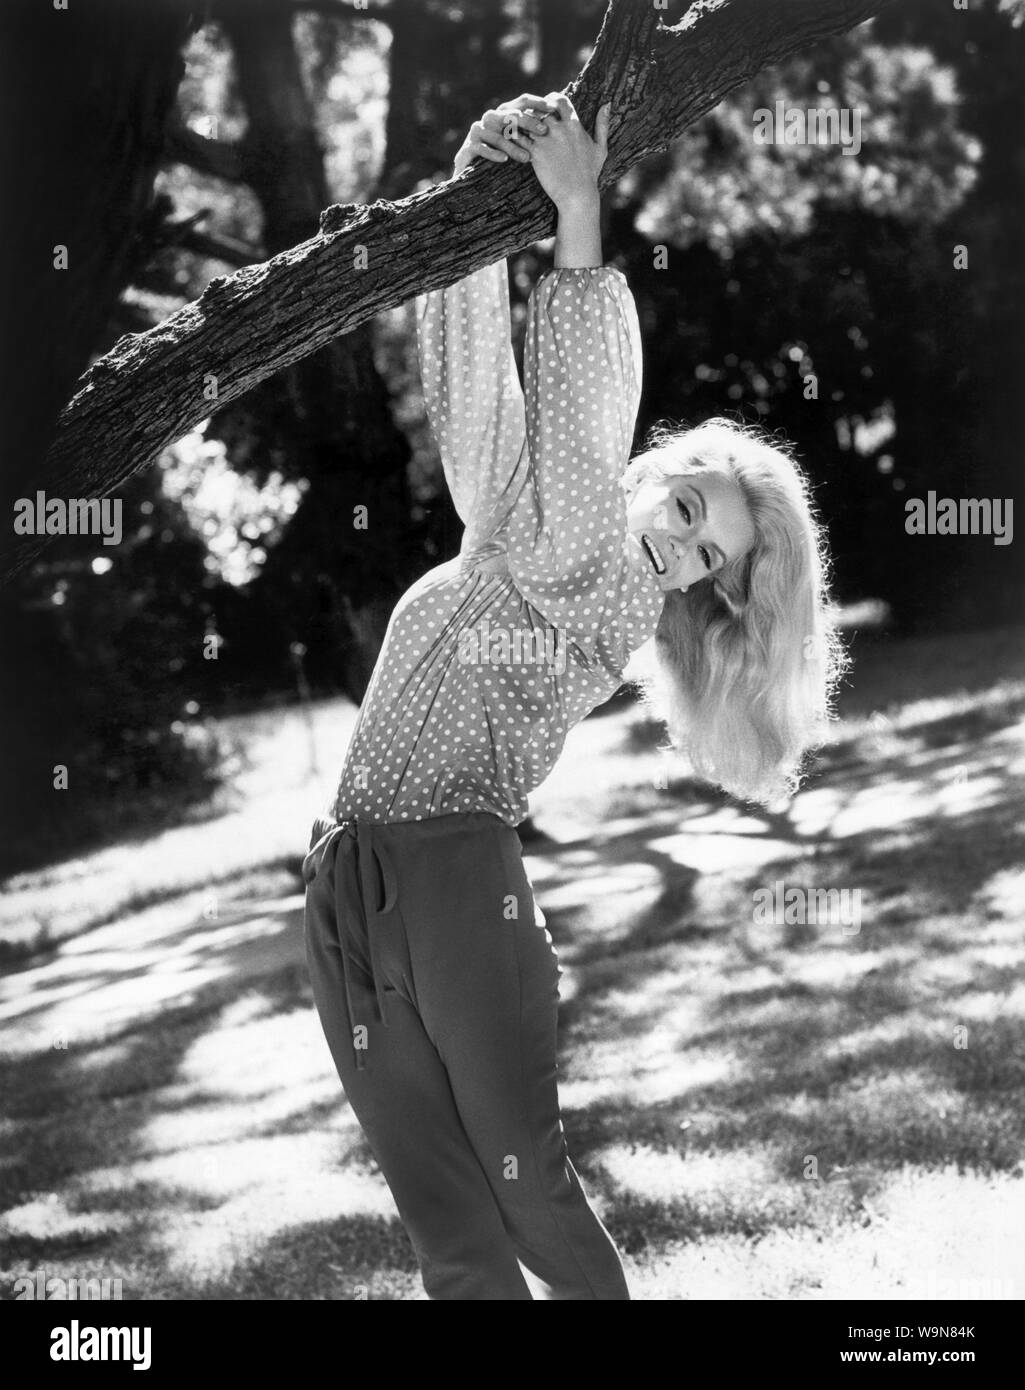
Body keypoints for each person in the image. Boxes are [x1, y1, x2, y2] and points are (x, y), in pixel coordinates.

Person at [302, 92, 844, 1300]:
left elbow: (583, 412)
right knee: (447, 1224)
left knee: (527, 1188)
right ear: (664, 476)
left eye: (710, 561)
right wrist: (479, 188)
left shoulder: (605, 601)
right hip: (343, 883)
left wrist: (579, 212)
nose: (684, 550)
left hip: (457, 887)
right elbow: (474, 386)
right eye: (693, 512)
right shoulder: (512, 521)